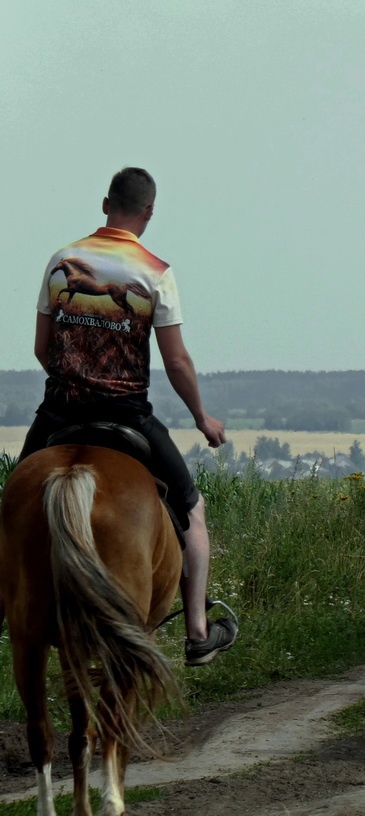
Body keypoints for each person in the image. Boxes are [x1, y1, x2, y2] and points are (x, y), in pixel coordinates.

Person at [20, 167, 237, 666]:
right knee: (193, 514)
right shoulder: (154, 271)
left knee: (12, 503)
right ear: (149, 212)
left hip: (60, 410)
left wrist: (72, 385)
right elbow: (177, 361)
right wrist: (203, 418)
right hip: (127, 415)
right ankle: (199, 631)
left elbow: (42, 348)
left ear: (104, 204)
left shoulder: (62, 260)